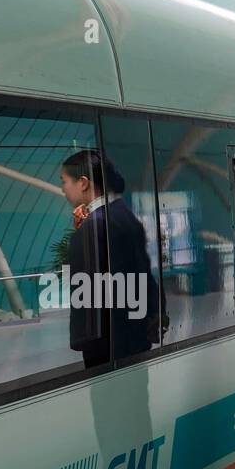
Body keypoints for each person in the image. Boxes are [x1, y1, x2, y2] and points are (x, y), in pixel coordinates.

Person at [59, 150, 163, 369]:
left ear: (83, 183)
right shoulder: (124, 215)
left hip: (106, 341)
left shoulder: (95, 226)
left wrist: (82, 234)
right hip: (133, 333)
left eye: (65, 181)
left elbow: (87, 287)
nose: (63, 189)